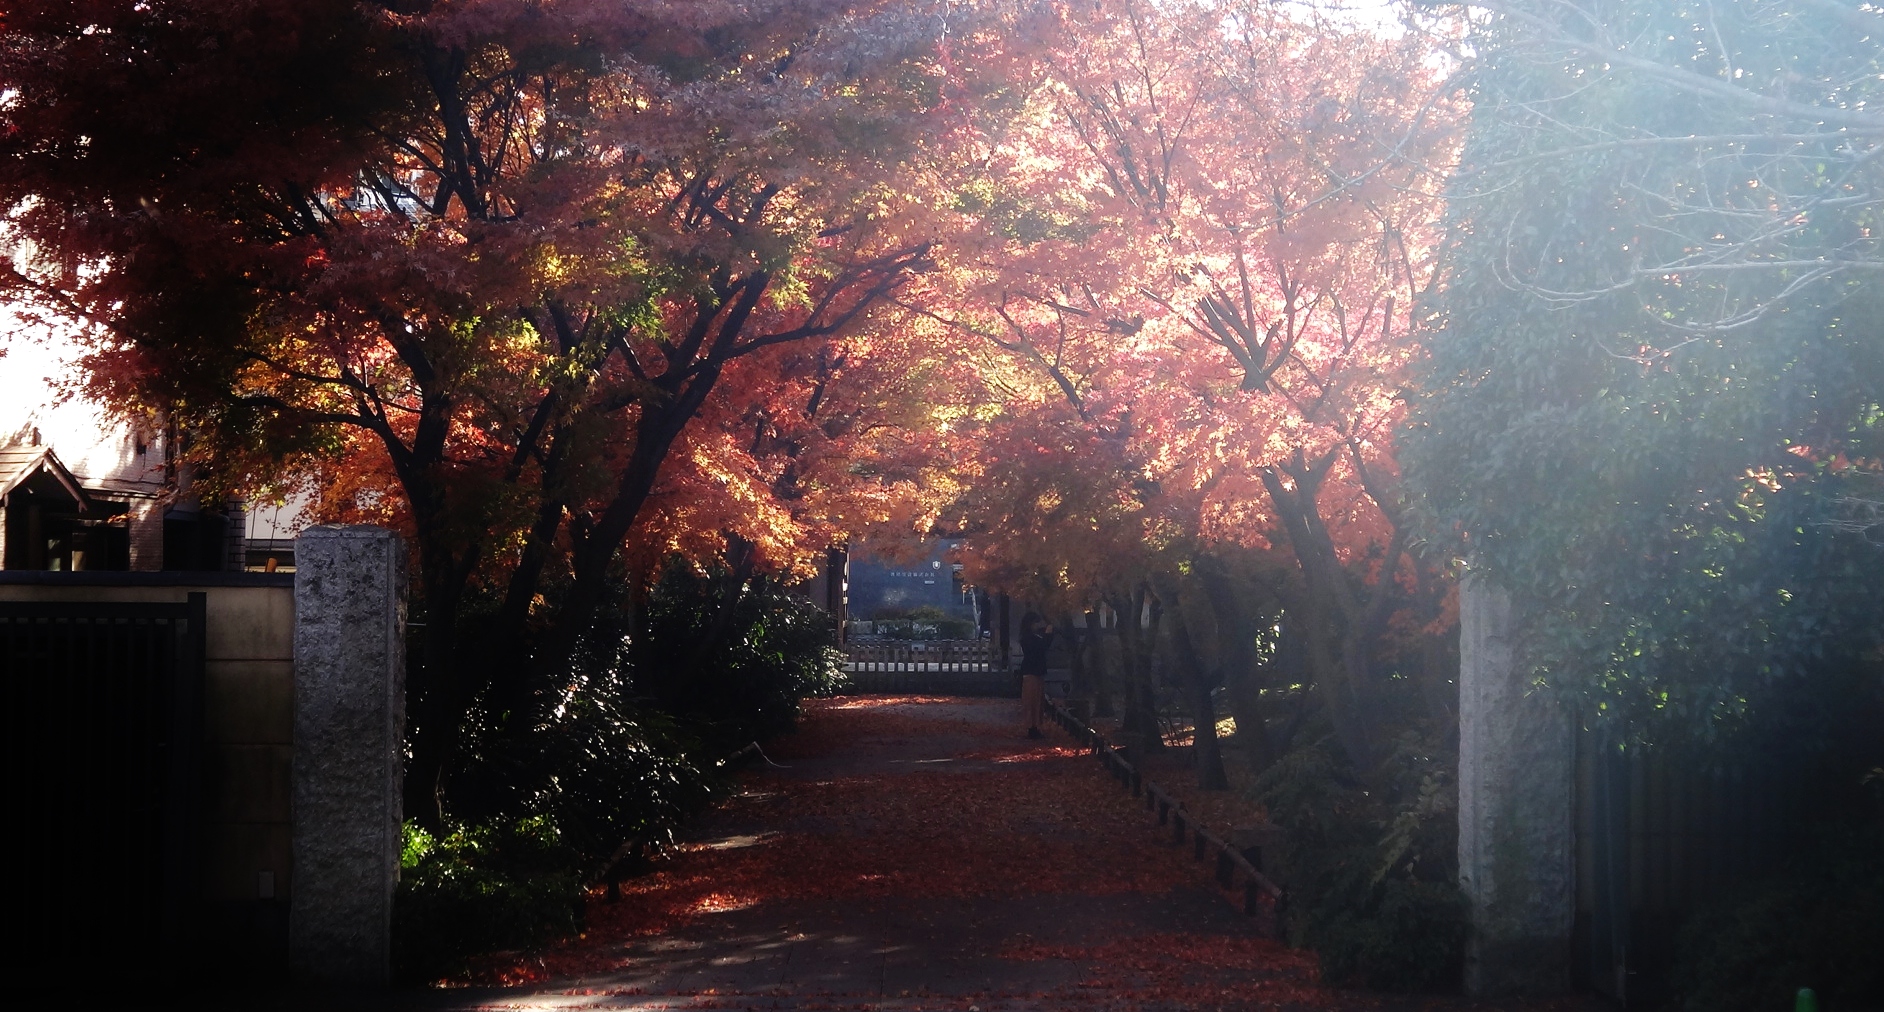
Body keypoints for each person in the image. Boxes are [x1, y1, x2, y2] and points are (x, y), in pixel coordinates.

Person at [1018, 612, 1053, 739]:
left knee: (1037, 701)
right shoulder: (1029, 638)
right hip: (1031, 672)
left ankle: (1035, 726)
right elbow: (1041, 648)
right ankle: (1032, 727)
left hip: (1035, 671)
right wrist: (1048, 635)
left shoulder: (1031, 636)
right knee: (1032, 701)